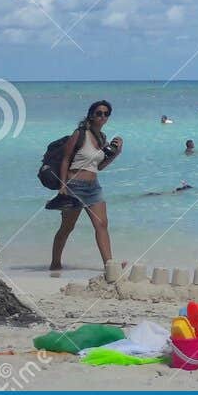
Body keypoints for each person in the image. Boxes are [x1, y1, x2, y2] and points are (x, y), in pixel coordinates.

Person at [49, 100, 123, 271]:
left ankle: (109, 265)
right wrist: (62, 185)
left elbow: (99, 166)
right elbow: (66, 159)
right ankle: (55, 263)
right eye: (99, 113)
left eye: (106, 114)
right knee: (67, 227)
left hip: (93, 187)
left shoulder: (102, 138)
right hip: (74, 186)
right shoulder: (80, 134)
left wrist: (116, 153)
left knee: (102, 225)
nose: (102, 116)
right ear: (91, 115)